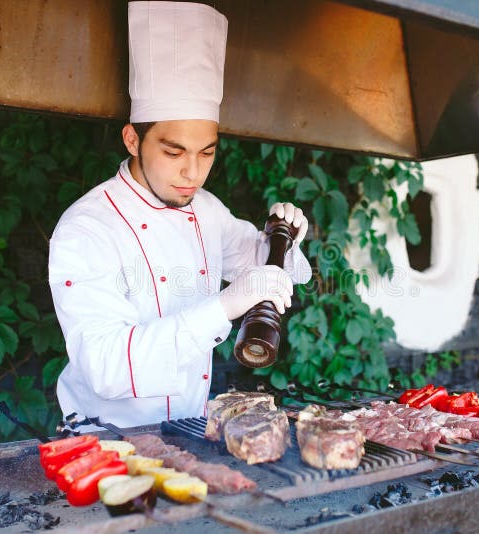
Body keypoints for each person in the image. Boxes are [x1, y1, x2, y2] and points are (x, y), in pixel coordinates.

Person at [47, 1, 312, 428]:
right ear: (133, 140)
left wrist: (283, 239)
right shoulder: (86, 229)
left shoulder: (205, 209)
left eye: (207, 152)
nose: (193, 172)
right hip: (109, 443)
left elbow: (276, 270)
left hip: (191, 431)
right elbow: (106, 367)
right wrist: (224, 305)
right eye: (173, 152)